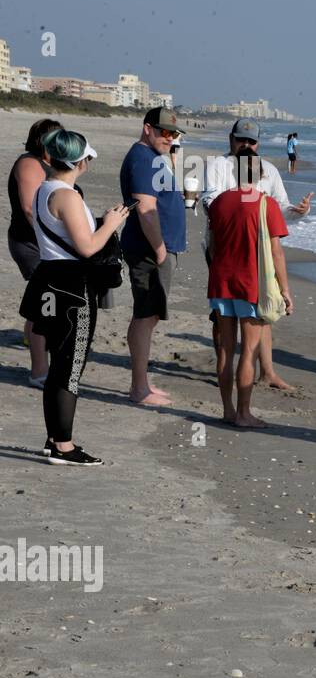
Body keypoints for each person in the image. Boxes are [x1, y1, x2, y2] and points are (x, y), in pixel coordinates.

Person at [20, 130, 130, 465]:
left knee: (58, 364)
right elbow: (86, 247)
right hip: (71, 288)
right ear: (81, 161)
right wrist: (111, 223)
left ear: (50, 158)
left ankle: (55, 438)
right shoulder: (66, 196)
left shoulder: (45, 189)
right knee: (69, 367)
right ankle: (63, 446)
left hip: (49, 280)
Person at [202, 118, 312, 390]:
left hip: (260, 250)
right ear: (231, 139)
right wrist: (243, 204)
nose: (246, 145)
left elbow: (280, 208)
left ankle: (268, 372)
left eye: (251, 141)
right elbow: (209, 202)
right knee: (223, 317)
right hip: (225, 248)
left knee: (265, 307)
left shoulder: (269, 170)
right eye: (241, 140)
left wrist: (298, 212)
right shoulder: (218, 165)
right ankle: (227, 375)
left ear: (258, 143)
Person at [206, 151, 293, 428]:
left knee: (224, 350)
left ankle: (228, 411)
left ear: (236, 173)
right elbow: (276, 253)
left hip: (221, 280)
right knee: (249, 350)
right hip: (250, 284)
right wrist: (285, 290)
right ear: (262, 176)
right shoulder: (266, 204)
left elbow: (214, 243)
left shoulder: (219, 202)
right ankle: (244, 414)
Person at [119, 106, 187, 406]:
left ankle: (142, 383)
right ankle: (139, 388)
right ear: (147, 128)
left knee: (150, 315)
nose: (169, 138)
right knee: (146, 315)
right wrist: (160, 251)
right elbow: (146, 210)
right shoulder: (142, 159)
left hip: (155, 248)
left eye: (174, 134)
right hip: (148, 250)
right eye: (164, 132)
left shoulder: (154, 158)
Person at [7, 118, 62, 387]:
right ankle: (40, 371)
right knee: (46, 306)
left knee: (43, 301)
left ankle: (34, 343)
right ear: (44, 141)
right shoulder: (29, 163)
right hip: (31, 245)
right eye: (58, 139)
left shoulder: (54, 166)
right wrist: (53, 239)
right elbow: (30, 209)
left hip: (48, 245)